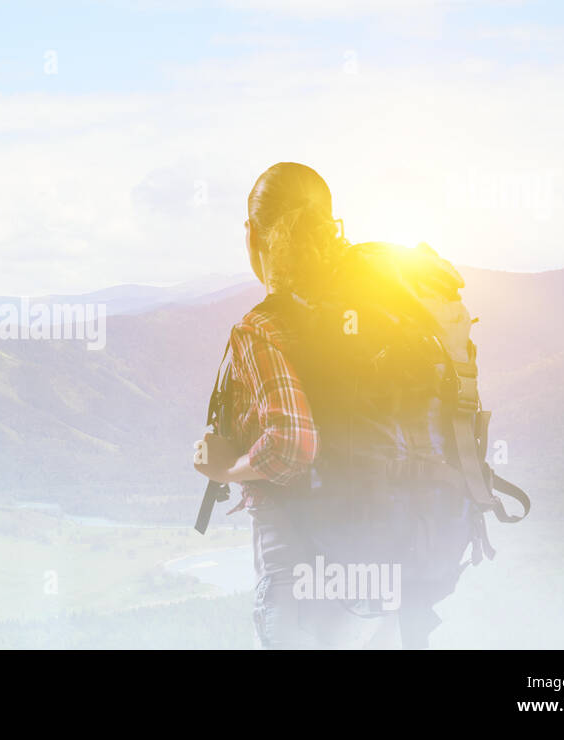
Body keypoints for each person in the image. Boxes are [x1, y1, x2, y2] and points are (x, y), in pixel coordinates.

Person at [194, 162, 458, 649]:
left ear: (253, 235)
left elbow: (293, 445)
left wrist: (227, 467)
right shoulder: (386, 309)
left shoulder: (262, 328)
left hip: (305, 575)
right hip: (394, 565)